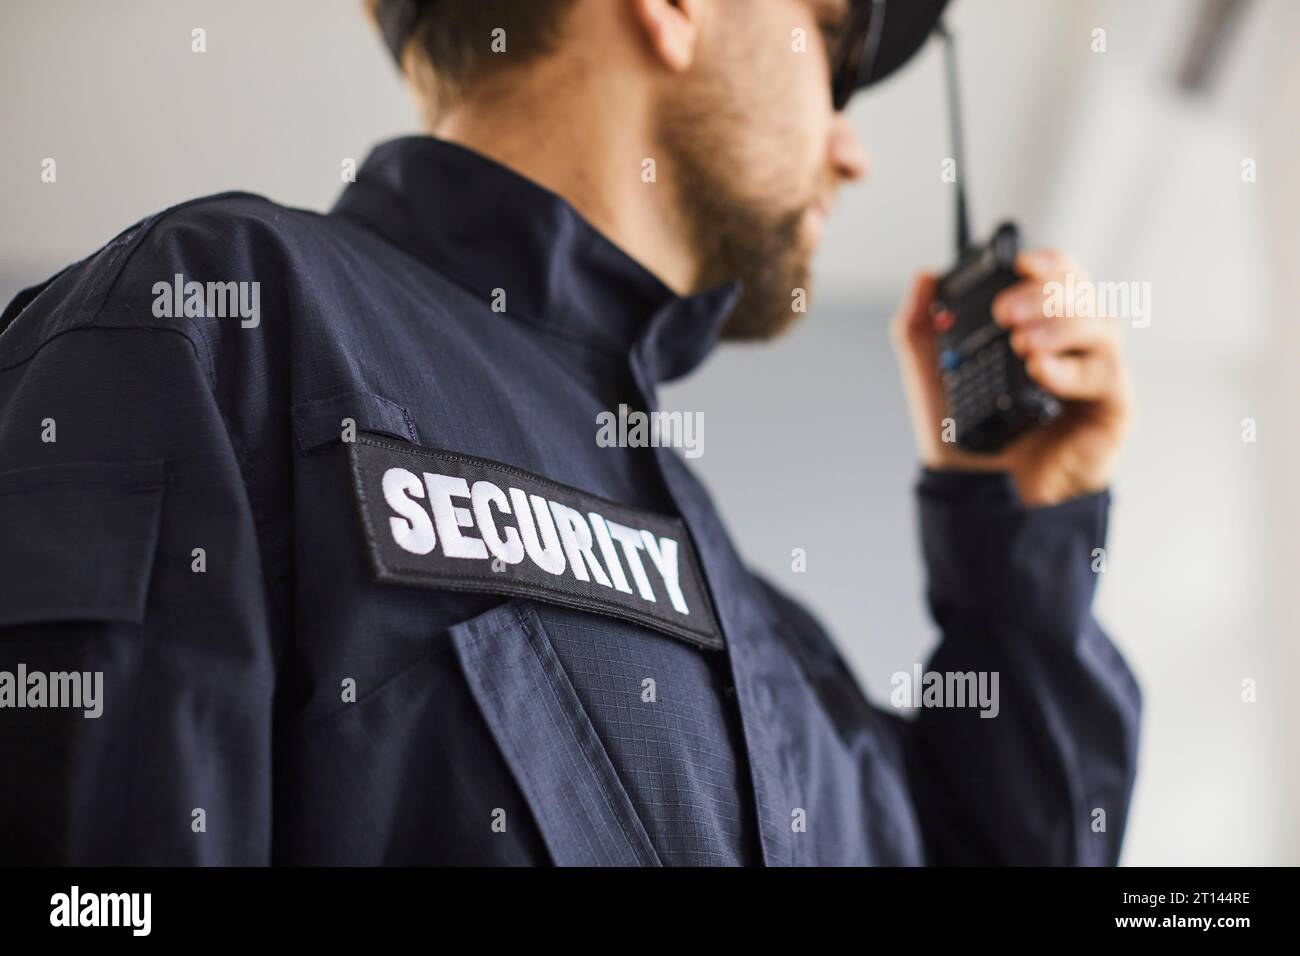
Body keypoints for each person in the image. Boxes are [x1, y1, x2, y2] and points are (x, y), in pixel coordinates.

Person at [0, 0, 1139, 865]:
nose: (852, 148)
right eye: (833, 54)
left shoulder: (769, 641)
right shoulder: (217, 320)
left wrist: (1018, 542)